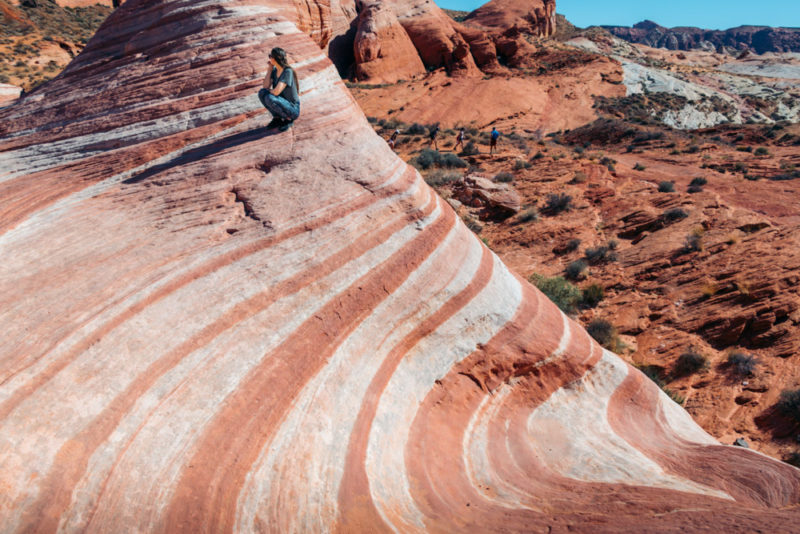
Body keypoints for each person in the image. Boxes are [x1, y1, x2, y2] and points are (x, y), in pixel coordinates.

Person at [258, 47, 300, 132]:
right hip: (282, 103)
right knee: (262, 93)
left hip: (292, 109)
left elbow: (276, 92)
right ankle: (277, 118)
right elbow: (265, 86)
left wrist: (269, 92)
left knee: (269, 97)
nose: (269, 58)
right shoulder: (274, 71)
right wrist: (269, 69)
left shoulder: (287, 71)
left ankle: (288, 119)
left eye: (270, 56)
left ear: (275, 58)